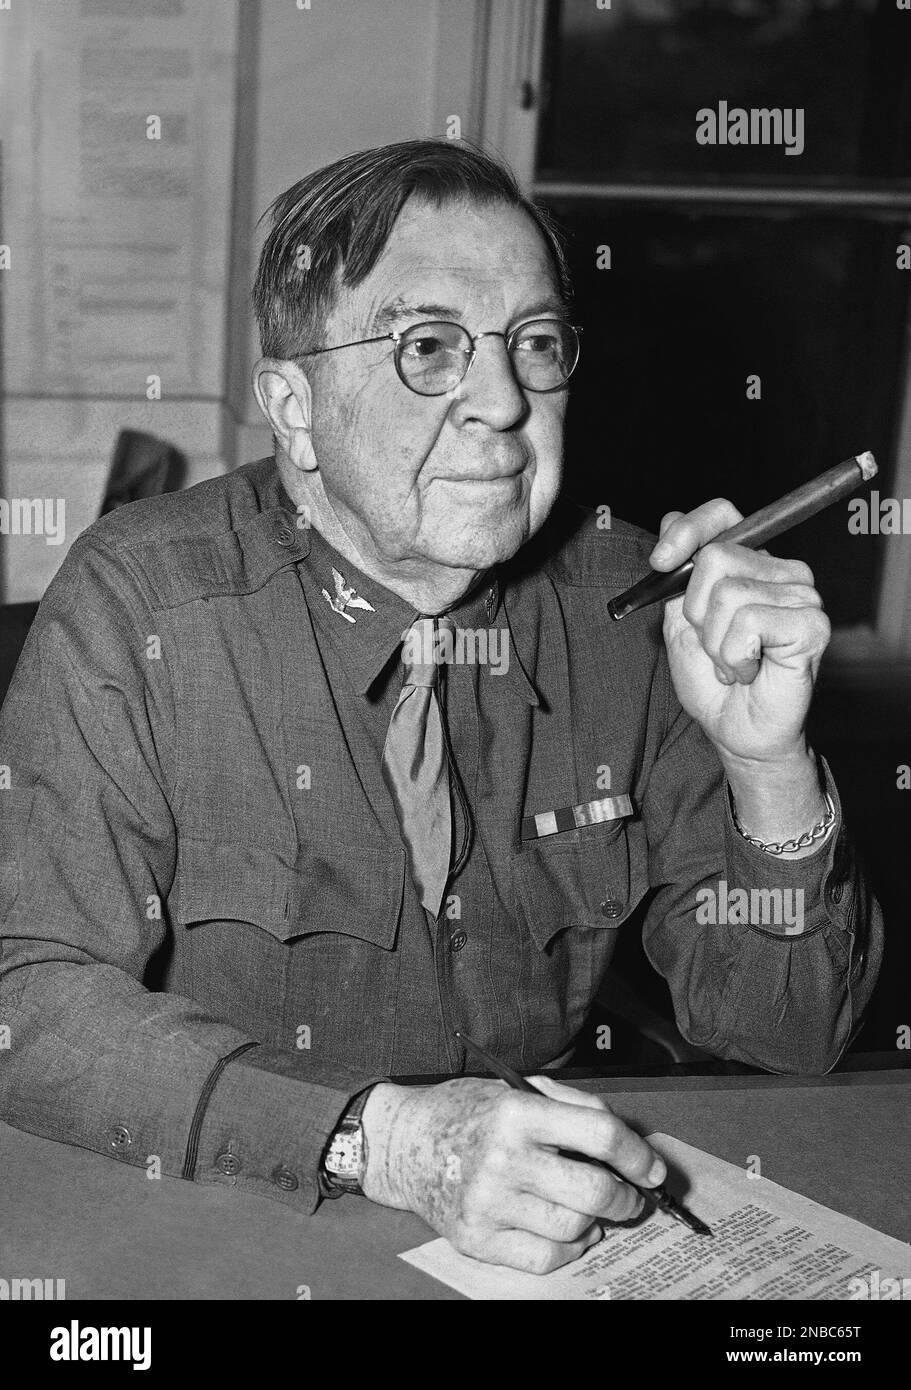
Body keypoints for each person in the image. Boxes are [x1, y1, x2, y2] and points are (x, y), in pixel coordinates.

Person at [0, 140, 882, 1275]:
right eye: (428, 348)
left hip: (537, 1241)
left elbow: (789, 1033)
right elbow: (25, 998)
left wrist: (766, 763)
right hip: (234, 1212)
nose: (504, 400)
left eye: (535, 343)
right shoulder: (141, 602)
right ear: (294, 405)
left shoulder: (630, 605)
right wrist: (388, 1139)